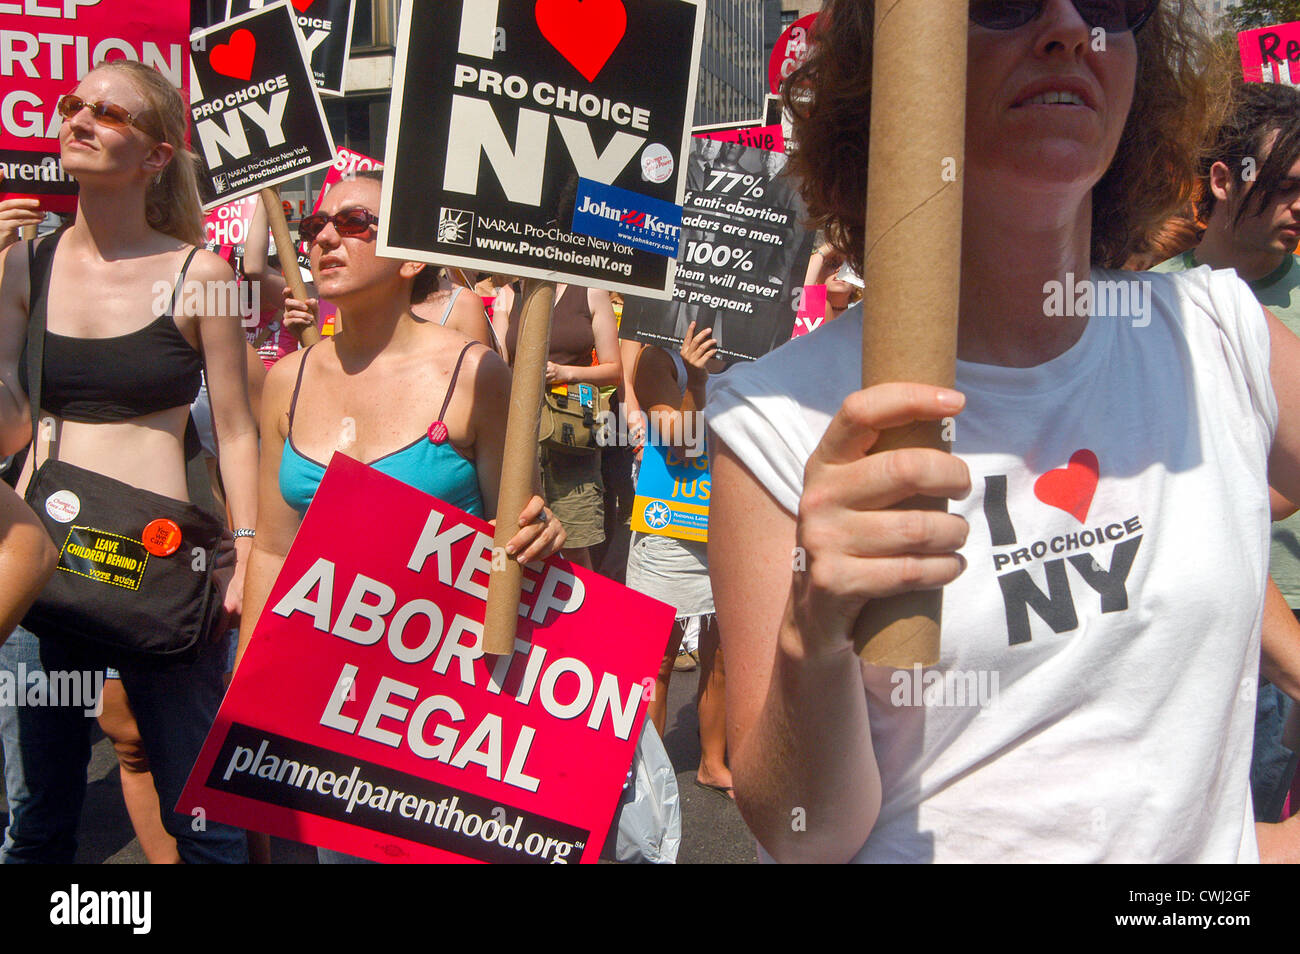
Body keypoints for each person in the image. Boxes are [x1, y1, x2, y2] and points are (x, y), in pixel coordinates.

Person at [706, 0, 1300, 862]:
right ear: (893, 65)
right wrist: (813, 633)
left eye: (1108, 3)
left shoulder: (1223, 336)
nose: (1067, 28)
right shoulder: (779, 414)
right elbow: (806, 835)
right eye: (1002, 1)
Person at [240, 172, 566, 864]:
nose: (324, 236)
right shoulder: (285, 381)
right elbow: (273, 550)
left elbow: (525, 545)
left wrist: (542, 536)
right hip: (334, 697)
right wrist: (247, 693)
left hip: (450, 702)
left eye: (354, 223)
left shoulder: (477, 375)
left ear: (412, 256)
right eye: (314, 227)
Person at [0, 60, 258, 864]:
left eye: (105, 113)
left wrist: (246, 552)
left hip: (159, 580)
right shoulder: (23, 265)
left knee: (202, 816)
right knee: (39, 813)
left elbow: (240, 430)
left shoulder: (204, 275)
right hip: (43, 567)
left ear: (154, 155)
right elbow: (9, 428)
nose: (76, 118)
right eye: (71, 103)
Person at [1151, 80, 1300, 824]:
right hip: (1206, 630)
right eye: (1286, 186)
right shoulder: (1144, 306)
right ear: (1223, 179)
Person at [628, 321, 731, 797]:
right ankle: (643, 780)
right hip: (671, 524)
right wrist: (698, 380)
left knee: (722, 656)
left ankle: (713, 762)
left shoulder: (764, 353)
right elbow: (683, 446)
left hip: (733, 522)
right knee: (656, 661)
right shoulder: (658, 358)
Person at [501, 283, 621, 569]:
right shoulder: (509, 292)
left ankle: (583, 611)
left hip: (571, 434)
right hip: (520, 433)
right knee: (516, 538)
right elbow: (501, 361)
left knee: (576, 546)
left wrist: (566, 372)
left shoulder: (590, 291)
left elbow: (614, 370)